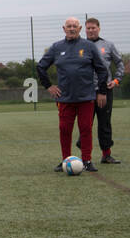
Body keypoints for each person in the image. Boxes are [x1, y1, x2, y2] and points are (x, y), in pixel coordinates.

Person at [37, 18, 109, 172]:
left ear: (80, 28)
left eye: (74, 26)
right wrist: (48, 86)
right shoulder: (57, 47)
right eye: (68, 26)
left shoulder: (89, 47)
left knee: (85, 129)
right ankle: (65, 160)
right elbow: (41, 67)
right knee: (64, 130)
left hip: (86, 97)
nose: (71, 29)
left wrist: (102, 92)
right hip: (65, 98)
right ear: (63, 28)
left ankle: (87, 160)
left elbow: (102, 70)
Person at [76, 18, 125, 164]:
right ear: (84, 30)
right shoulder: (79, 45)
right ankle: (84, 156)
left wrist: (116, 81)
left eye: (93, 28)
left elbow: (120, 64)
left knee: (104, 123)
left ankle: (106, 154)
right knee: (85, 124)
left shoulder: (108, 45)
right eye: (88, 28)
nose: (91, 31)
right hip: (86, 92)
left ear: (99, 28)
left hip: (104, 91)